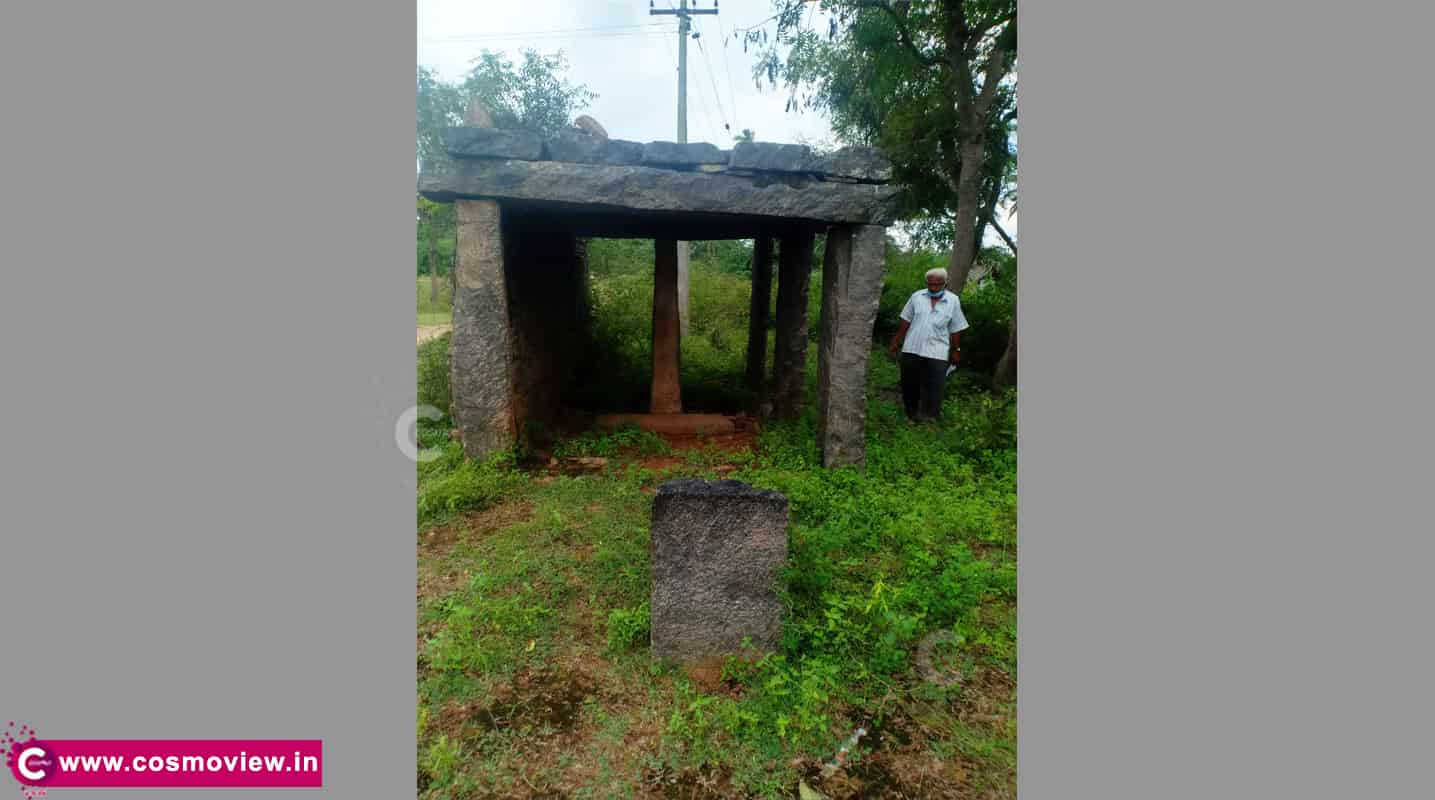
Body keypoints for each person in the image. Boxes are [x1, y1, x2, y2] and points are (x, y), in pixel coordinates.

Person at [887, 267, 969, 423]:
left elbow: (956, 327)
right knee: (909, 383)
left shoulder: (953, 300)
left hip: (937, 350)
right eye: (930, 284)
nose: (933, 288)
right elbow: (905, 321)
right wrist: (896, 341)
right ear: (926, 283)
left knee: (935, 386)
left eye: (937, 285)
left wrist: (956, 350)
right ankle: (911, 415)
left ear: (945, 283)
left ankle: (931, 418)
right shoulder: (916, 297)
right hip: (912, 347)